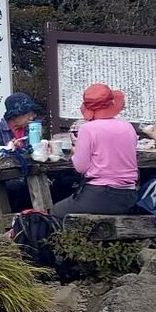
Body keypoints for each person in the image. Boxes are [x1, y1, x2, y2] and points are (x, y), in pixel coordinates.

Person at [48, 84, 141, 218]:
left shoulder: (88, 129)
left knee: (57, 211)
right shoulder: (128, 127)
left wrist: (76, 150)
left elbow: (81, 167)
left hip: (99, 194)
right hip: (129, 195)